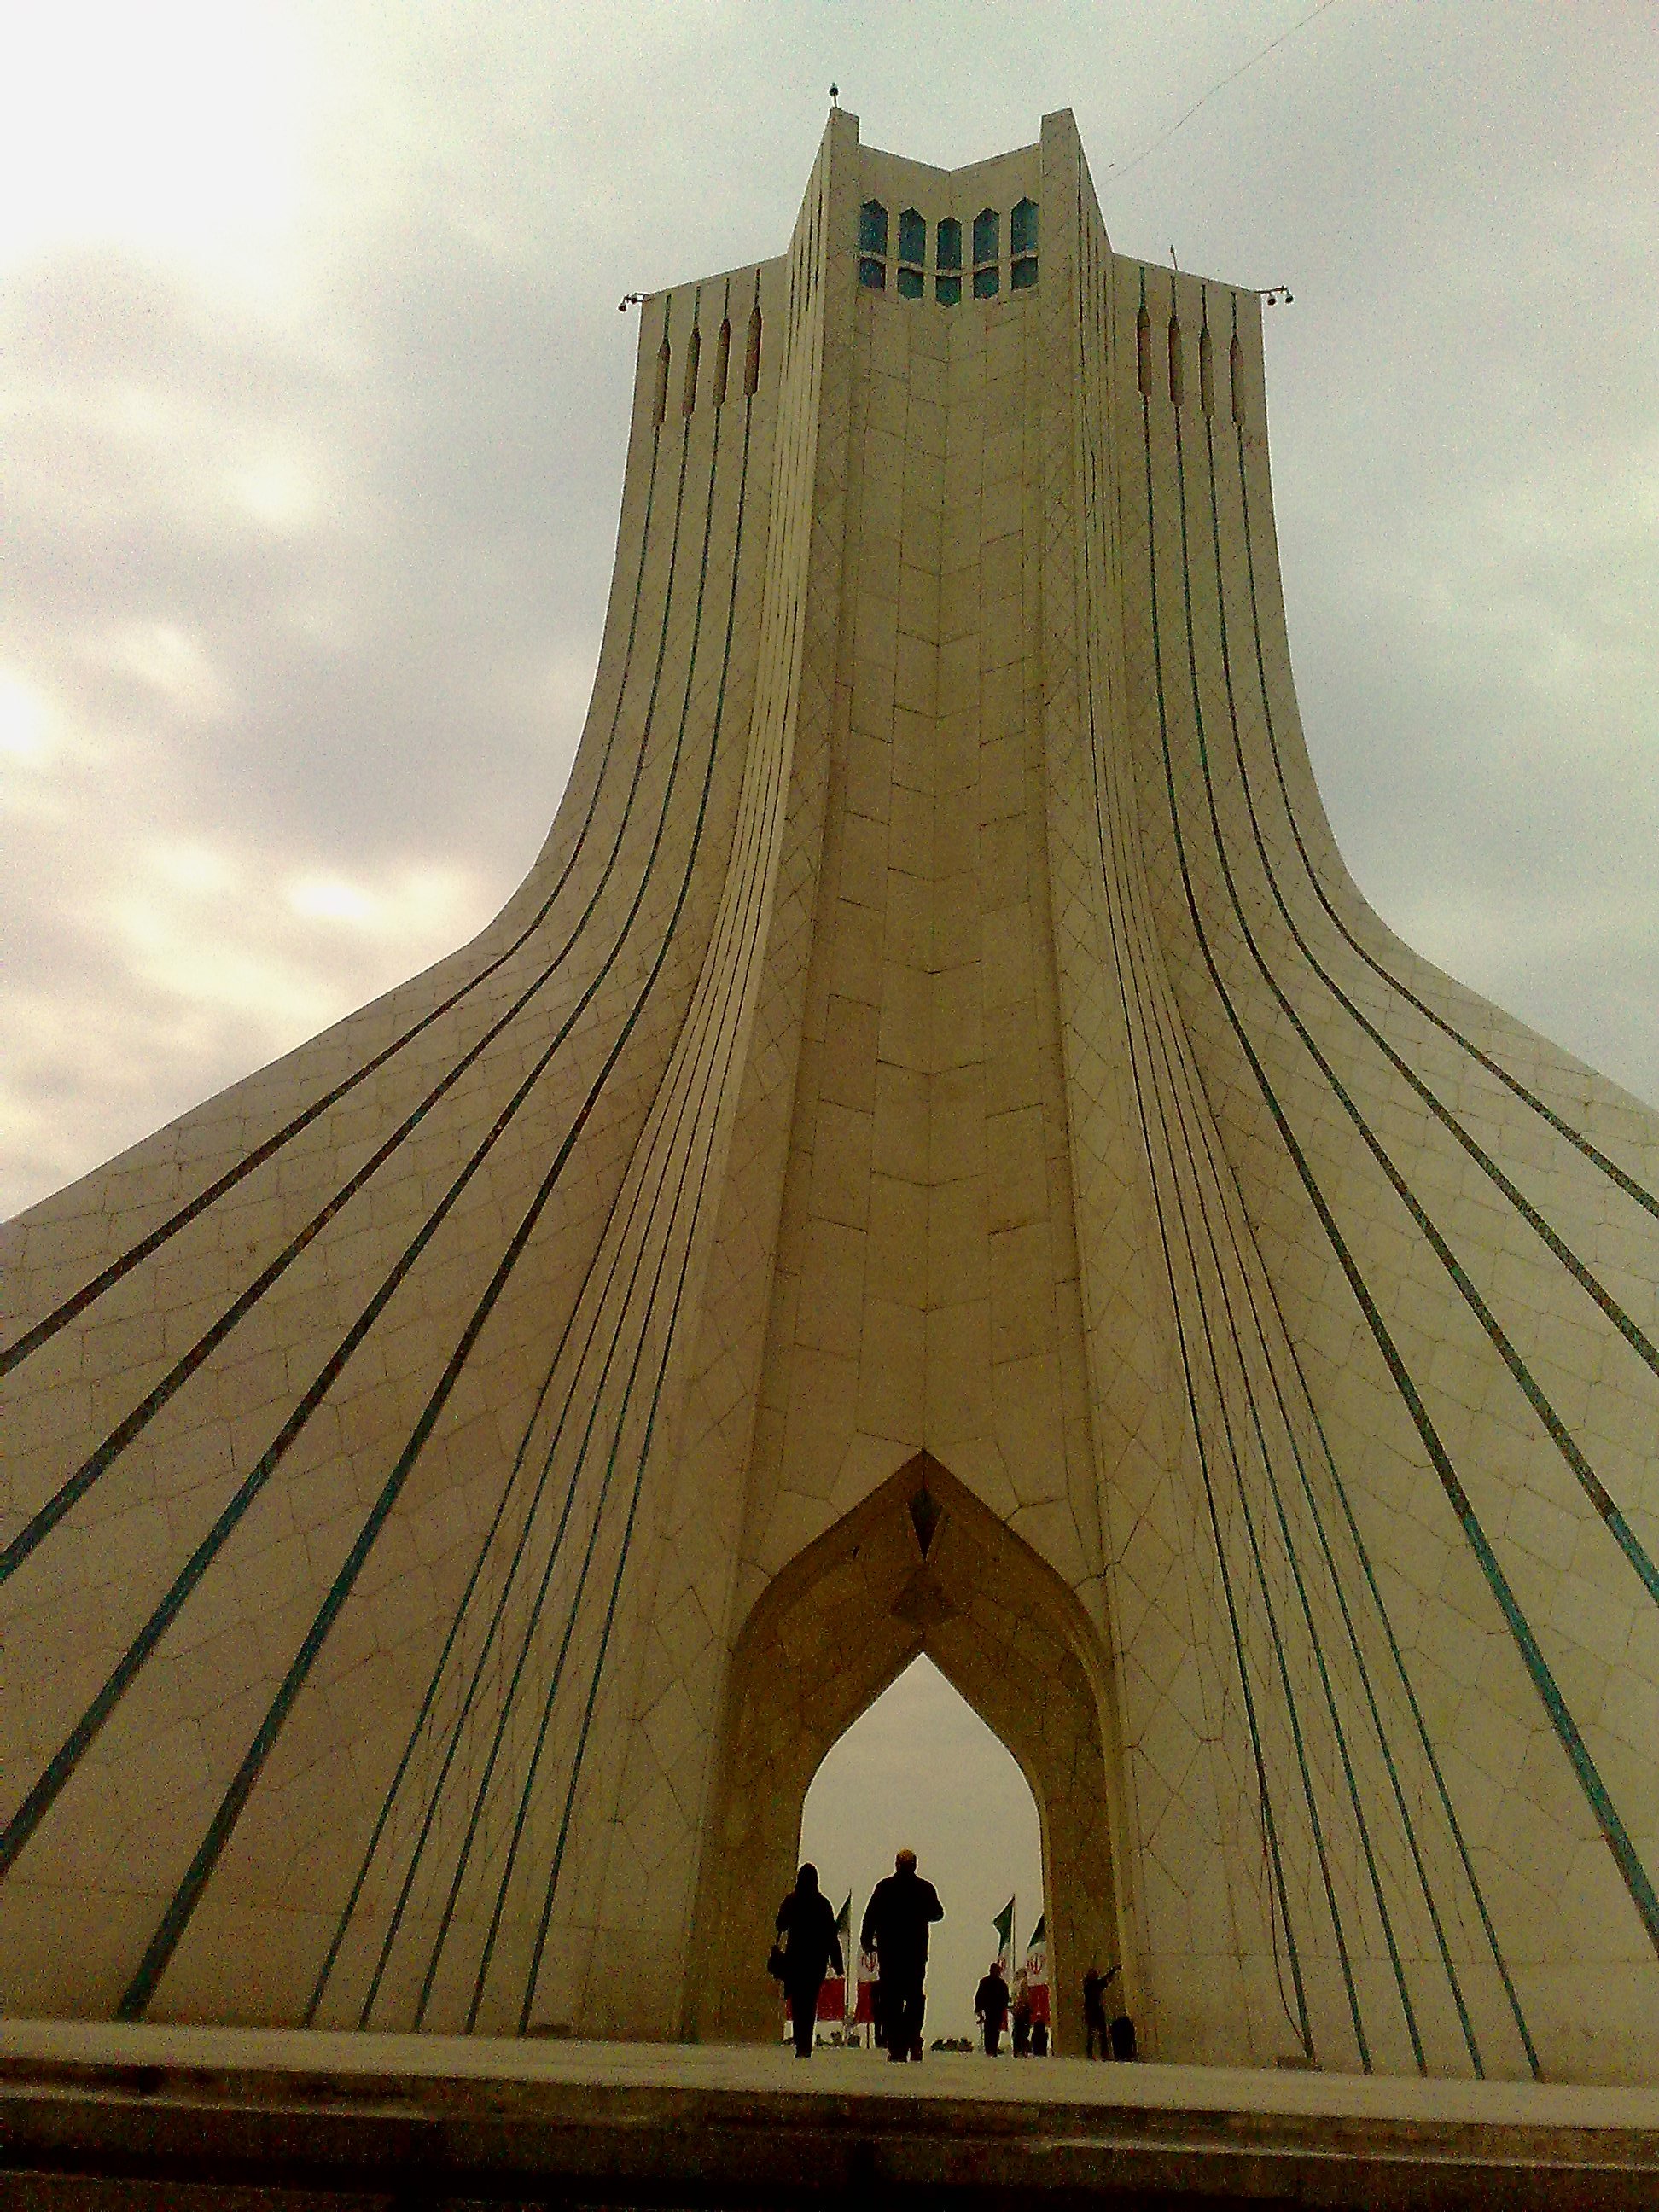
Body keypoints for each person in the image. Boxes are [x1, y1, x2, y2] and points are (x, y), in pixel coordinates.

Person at [859, 1848, 943, 2063]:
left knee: (892, 1998)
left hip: (891, 1952)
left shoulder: (885, 1888)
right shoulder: (924, 1888)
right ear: (915, 1866)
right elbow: (937, 1913)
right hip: (915, 1952)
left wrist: (867, 1940)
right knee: (914, 1996)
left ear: (896, 1865)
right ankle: (913, 2039)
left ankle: (897, 2045)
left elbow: (870, 1916)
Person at [774, 1863, 842, 2058]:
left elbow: (781, 1924)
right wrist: (837, 1963)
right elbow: (831, 1936)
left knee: (797, 2003)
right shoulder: (823, 1904)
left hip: (795, 1959)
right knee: (809, 2002)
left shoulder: (792, 1901)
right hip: (815, 1962)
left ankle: (800, 2040)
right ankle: (806, 2044)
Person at [974, 1959, 1010, 2056]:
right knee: (993, 2030)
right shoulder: (1000, 1983)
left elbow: (979, 1997)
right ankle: (991, 2049)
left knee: (991, 2030)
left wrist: (978, 2009)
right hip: (993, 2010)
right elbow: (979, 1997)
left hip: (992, 2010)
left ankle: (990, 2049)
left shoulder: (988, 1982)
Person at [1083, 1965, 1108, 2059]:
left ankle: (1092, 2053)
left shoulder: (1088, 1985)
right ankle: (1103, 2053)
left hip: (1091, 2011)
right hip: (1095, 2010)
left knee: (1093, 2033)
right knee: (1100, 2033)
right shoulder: (1093, 1985)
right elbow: (1104, 1980)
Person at [1010, 1968, 1033, 2058]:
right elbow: (1025, 1997)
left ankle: (1017, 2050)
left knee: (1017, 2030)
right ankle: (1022, 2050)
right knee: (1023, 2031)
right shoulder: (1023, 1983)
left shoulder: (1014, 1985)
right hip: (1023, 2009)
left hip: (1017, 2010)